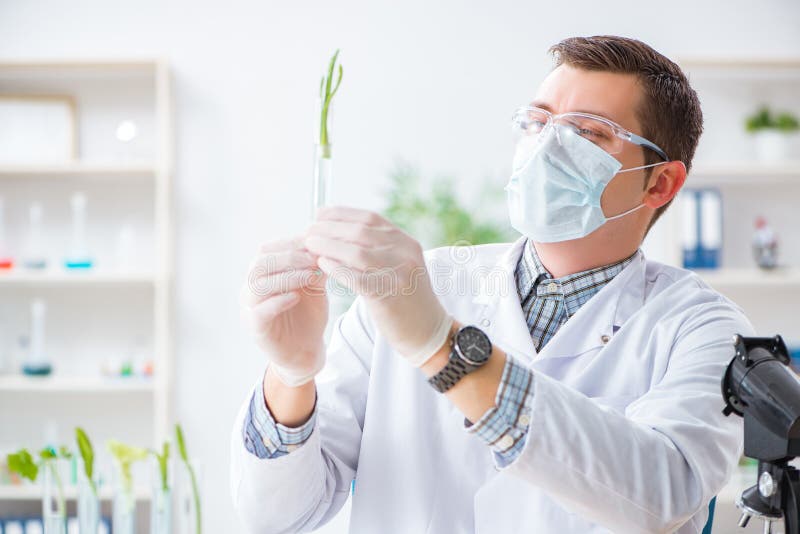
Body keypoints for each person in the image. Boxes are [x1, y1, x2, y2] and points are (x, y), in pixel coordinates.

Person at [231, 35, 753, 533]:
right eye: (536, 121)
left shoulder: (704, 328)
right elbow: (279, 516)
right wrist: (291, 374)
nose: (547, 145)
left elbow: (660, 493)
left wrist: (441, 346)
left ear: (661, 182)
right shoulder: (419, 284)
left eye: (589, 132)